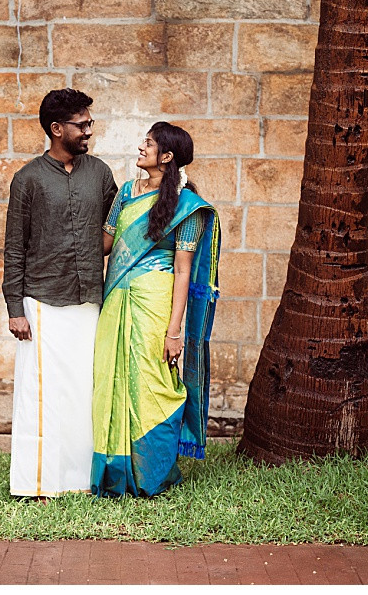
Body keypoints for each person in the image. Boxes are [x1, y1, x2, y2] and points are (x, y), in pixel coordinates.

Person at [91, 121, 221, 498]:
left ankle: (151, 473)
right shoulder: (127, 192)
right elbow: (105, 243)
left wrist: (174, 329)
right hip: (116, 299)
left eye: (148, 144)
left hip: (156, 304)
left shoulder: (187, 206)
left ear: (166, 156)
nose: (140, 148)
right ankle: (113, 471)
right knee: (111, 378)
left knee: (153, 383)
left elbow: (183, 270)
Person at [4, 88, 118, 498]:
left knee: (82, 394)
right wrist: (15, 308)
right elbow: (15, 247)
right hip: (42, 303)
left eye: (90, 123)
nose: (89, 131)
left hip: (89, 299)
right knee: (42, 398)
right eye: (81, 125)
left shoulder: (101, 173)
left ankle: (80, 482)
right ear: (57, 129)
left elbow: (119, 227)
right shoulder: (28, 180)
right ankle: (37, 484)